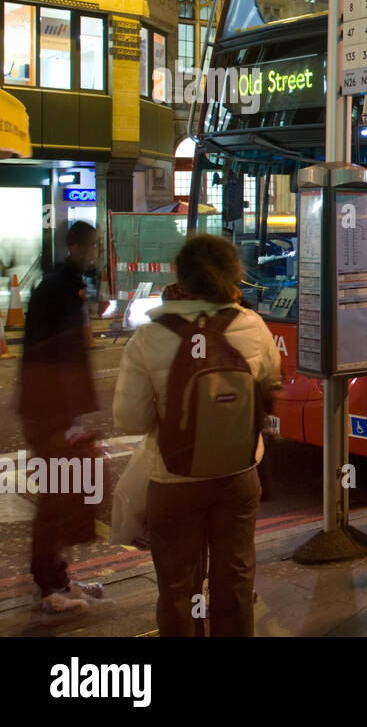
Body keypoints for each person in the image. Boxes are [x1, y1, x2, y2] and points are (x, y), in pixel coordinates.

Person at [114, 234, 281, 637]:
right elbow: (271, 383)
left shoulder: (150, 336)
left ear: (181, 277)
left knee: (176, 586)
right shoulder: (252, 326)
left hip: (173, 479)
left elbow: (129, 420)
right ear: (233, 274)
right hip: (239, 475)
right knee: (236, 579)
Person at [18, 221, 104, 613]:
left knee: (60, 494)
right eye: (93, 246)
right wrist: (70, 418)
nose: (96, 253)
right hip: (50, 410)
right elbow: (61, 356)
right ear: (76, 247)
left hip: (50, 408)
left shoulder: (64, 285)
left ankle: (56, 576)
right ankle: (51, 587)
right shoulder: (59, 288)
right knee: (55, 497)